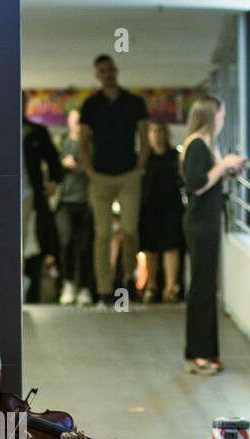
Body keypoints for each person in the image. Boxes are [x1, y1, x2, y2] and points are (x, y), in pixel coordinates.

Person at [181, 96, 250, 374]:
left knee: (208, 287)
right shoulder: (197, 144)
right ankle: (198, 353)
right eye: (221, 114)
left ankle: (206, 351)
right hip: (200, 223)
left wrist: (228, 169)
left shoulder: (206, 145)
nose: (223, 119)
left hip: (207, 222)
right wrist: (223, 166)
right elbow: (197, 184)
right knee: (202, 287)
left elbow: (207, 180)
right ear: (211, 116)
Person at [78, 54, 149, 307]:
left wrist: (140, 165)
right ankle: (104, 288)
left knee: (130, 229)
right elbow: (82, 141)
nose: (107, 73)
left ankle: (129, 277)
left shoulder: (134, 102)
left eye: (110, 69)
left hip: (128, 174)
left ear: (115, 71)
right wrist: (89, 171)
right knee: (103, 234)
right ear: (97, 75)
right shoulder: (91, 105)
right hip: (101, 176)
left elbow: (144, 136)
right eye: (102, 70)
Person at [22, 92, 64, 304]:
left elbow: (54, 161)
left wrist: (54, 181)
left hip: (30, 196)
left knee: (31, 245)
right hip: (3, 199)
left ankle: (30, 294)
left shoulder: (36, 132)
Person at [139, 121, 186, 304]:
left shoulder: (175, 157)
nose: (157, 136)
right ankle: (151, 286)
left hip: (171, 207)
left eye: (160, 131)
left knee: (171, 247)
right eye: (153, 132)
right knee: (150, 248)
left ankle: (170, 287)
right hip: (149, 207)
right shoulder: (145, 158)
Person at [55, 109, 95, 306]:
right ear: (69, 122)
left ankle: (85, 287)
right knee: (67, 241)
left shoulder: (91, 144)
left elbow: (94, 169)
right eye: (74, 121)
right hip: (64, 201)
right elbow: (52, 168)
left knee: (85, 246)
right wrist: (62, 164)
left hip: (87, 200)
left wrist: (79, 165)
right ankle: (68, 283)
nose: (77, 125)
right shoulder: (61, 142)